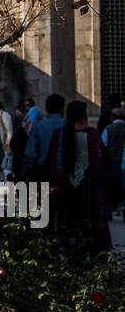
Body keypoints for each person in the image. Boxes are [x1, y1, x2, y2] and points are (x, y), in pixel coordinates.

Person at [51, 100, 112, 255]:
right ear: (83, 116)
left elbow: (52, 166)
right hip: (90, 198)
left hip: (66, 197)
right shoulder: (92, 136)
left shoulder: (59, 135)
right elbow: (103, 164)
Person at [22, 94, 66, 182]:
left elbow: (30, 153)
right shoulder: (67, 125)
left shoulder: (38, 126)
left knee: (40, 195)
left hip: (41, 170)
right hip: (63, 172)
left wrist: (26, 170)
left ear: (47, 109)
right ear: (62, 109)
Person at [102, 107, 125, 210]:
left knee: (110, 188)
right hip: (123, 162)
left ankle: (110, 211)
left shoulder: (108, 129)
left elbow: (103, 145)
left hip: (111, 162)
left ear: (112, 117)